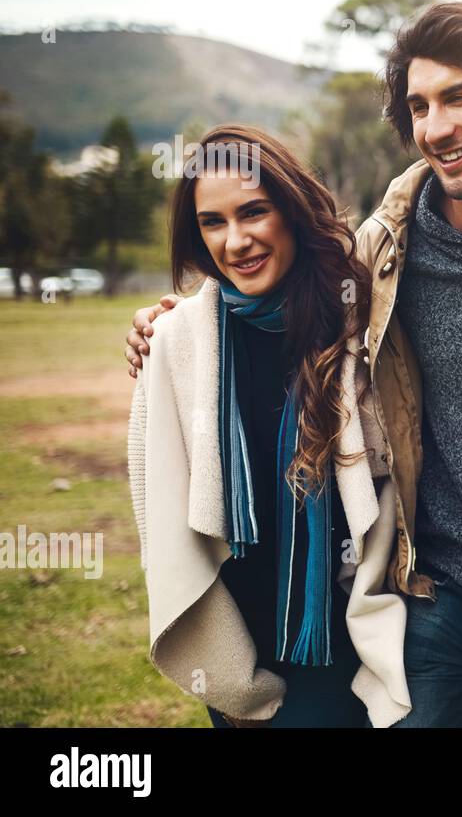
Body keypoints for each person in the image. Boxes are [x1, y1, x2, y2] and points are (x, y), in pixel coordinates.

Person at [126, 2, 462, 727]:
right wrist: (178, 321)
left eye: (458, 97)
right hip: (438, 607)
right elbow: (279, 286)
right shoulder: (381, 255)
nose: (435, 127)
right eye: (418, 105)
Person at [127, 125, 409, 727]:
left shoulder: (357, 321)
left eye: (254, 211)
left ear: (292, 211)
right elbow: (162, 515)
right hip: (236, 644)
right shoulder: (179, 345)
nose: (237, 241)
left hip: (342, 643)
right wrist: (230, 676)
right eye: (213, 222)